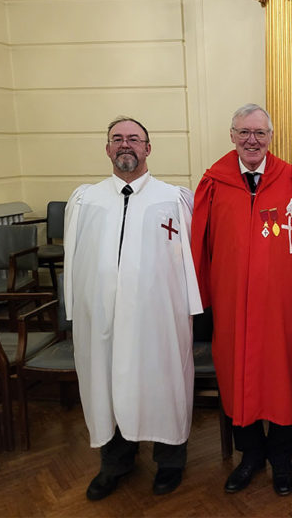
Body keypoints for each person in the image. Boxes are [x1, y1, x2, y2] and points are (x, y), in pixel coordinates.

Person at [63, 116, 201, 501]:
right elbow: (73, 264)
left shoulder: (173, 198)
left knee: (163, 384)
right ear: (107, 148)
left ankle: (170, 461)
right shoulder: (86, 200)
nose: (126, 145)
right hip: (102, 320)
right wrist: (76, 310)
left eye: (134, 139)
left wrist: (190, 309)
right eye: (117, 139)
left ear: (148, 148)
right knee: (106, 385)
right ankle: (115, 463)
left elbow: (191, 262)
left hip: (159, 320)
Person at [190, 104, 292, 496]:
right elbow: (199, 246)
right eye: (244, 132)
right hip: (231, 306)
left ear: (271, 137)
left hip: (280, 306)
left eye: (259, 133)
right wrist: (202, 298)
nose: (252, 140)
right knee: (237, 377)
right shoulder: (214, 182)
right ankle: (249, 456)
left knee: (281, 379)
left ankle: (281, 460)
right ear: (232, 136)